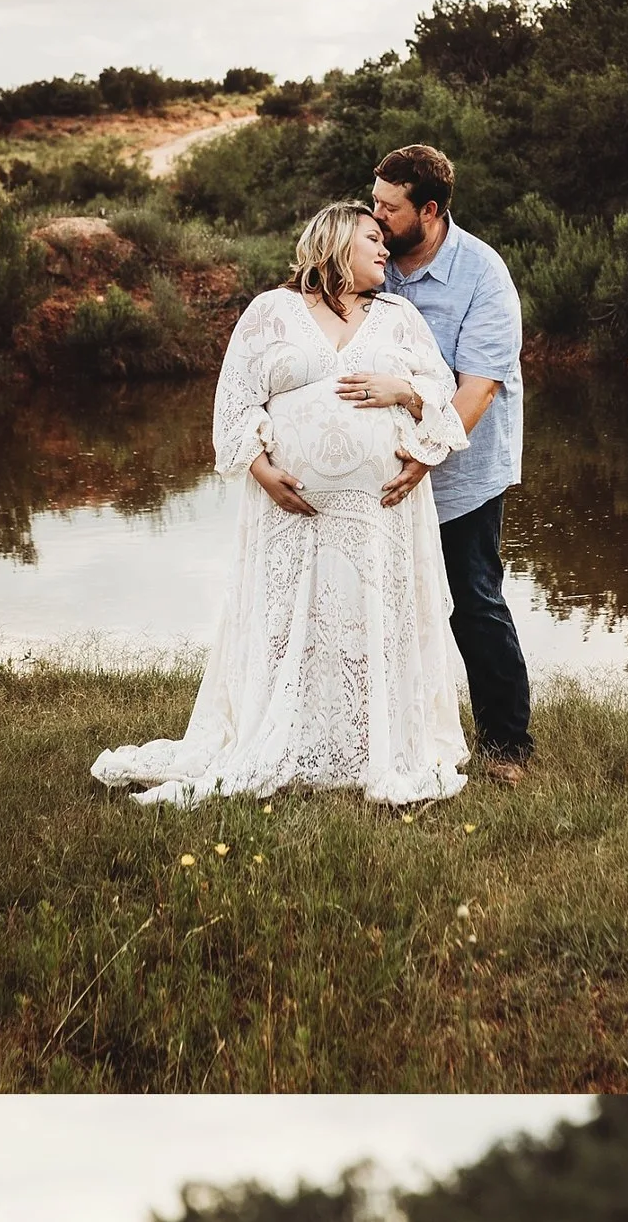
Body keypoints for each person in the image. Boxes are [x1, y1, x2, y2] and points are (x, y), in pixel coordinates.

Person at [90, 200, 472, 806]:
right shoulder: (272, 311)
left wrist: (404, 395)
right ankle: (286, 734)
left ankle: (371, 742)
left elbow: (442, 398)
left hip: (378, 516)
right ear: (337, 243)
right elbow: (234, 401)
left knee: (369, 621)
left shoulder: (400, 318)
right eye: (372, 238)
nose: (385, 250)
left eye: (385, 240)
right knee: (293, 622)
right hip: (290, 515)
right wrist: (264, 472)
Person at [367, 144, 534, 783]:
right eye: (374, 201)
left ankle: (507, 746)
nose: (375, 215)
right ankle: (386, 736)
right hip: (380, 478)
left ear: (429, 211)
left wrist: (425, 454)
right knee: (378, 602)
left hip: (462, 475)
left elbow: (479, 388)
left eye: (389, 206)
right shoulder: (369, 260)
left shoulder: (482, 275)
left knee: (473, 601)